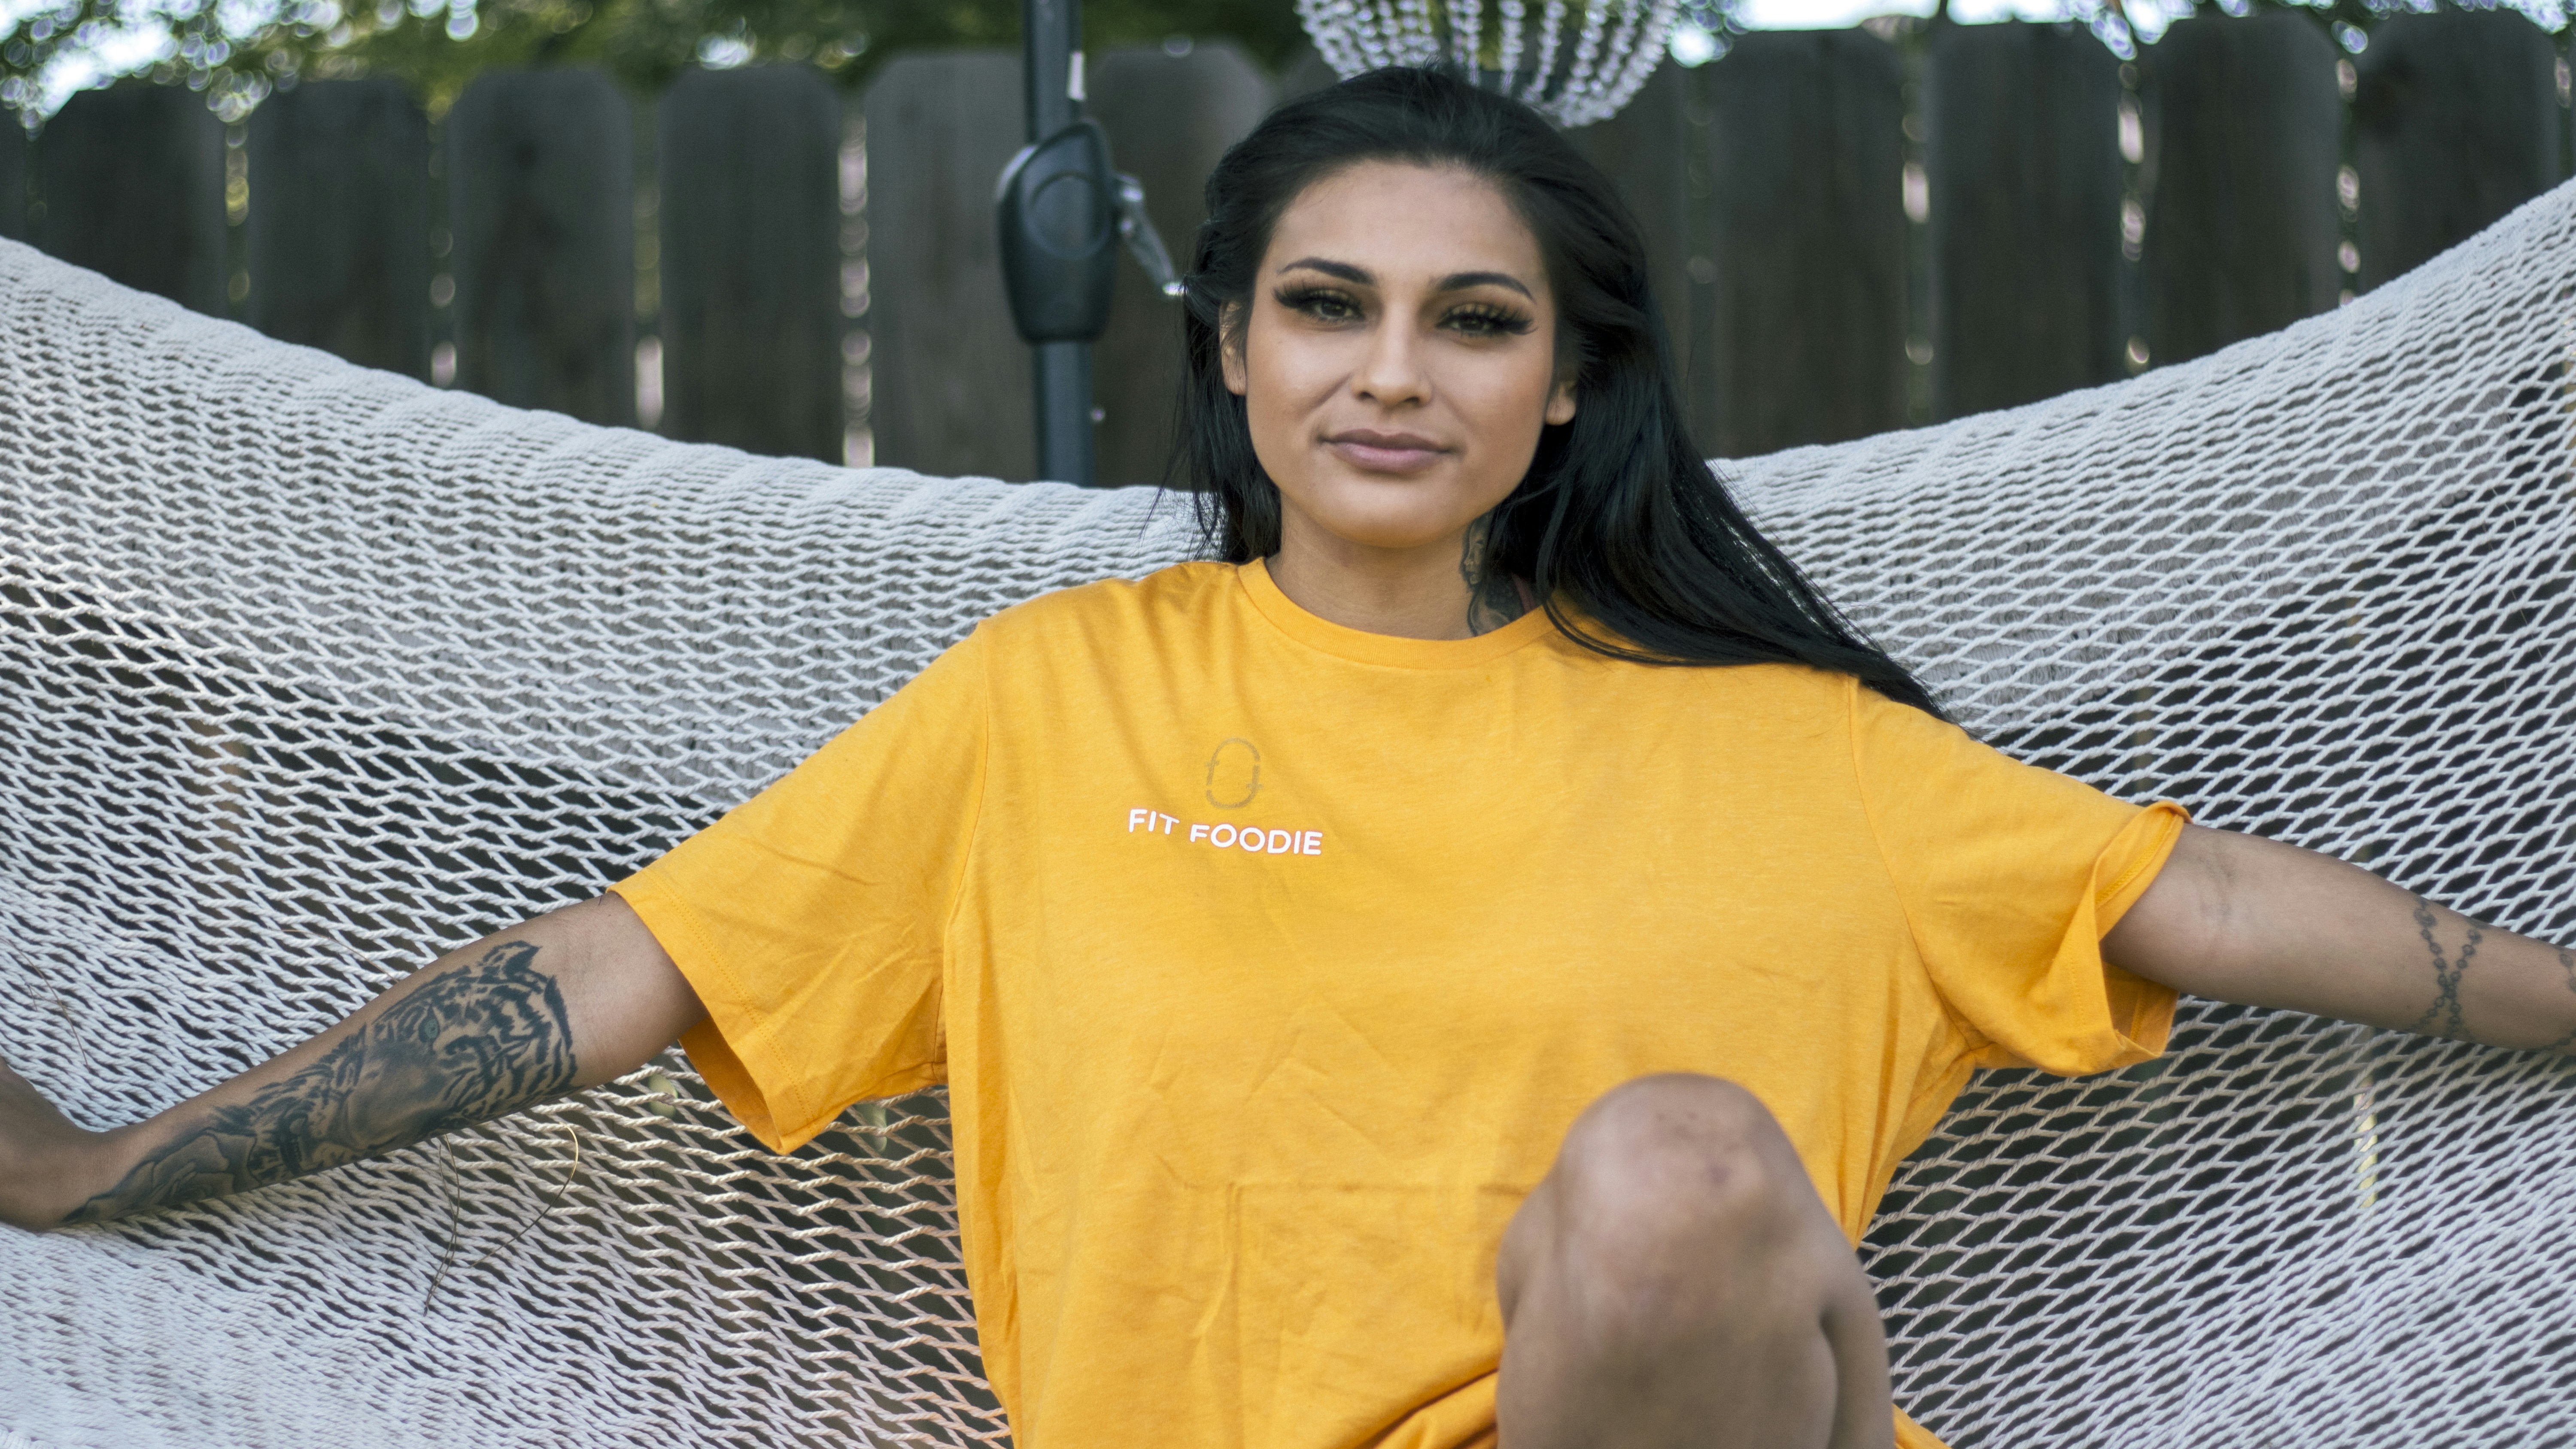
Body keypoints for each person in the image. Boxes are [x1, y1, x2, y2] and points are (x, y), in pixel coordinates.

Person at [1, 65, 2569, 1449]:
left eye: (1476, 320)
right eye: (1329, 305)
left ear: (1567, 388)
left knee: (1676, 1168)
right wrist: (122, 1165)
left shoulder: (1805, 758)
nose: (1392, 371)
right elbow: (608, 979)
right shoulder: (1055, 705)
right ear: (1231, 349)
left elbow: (2250, 907)